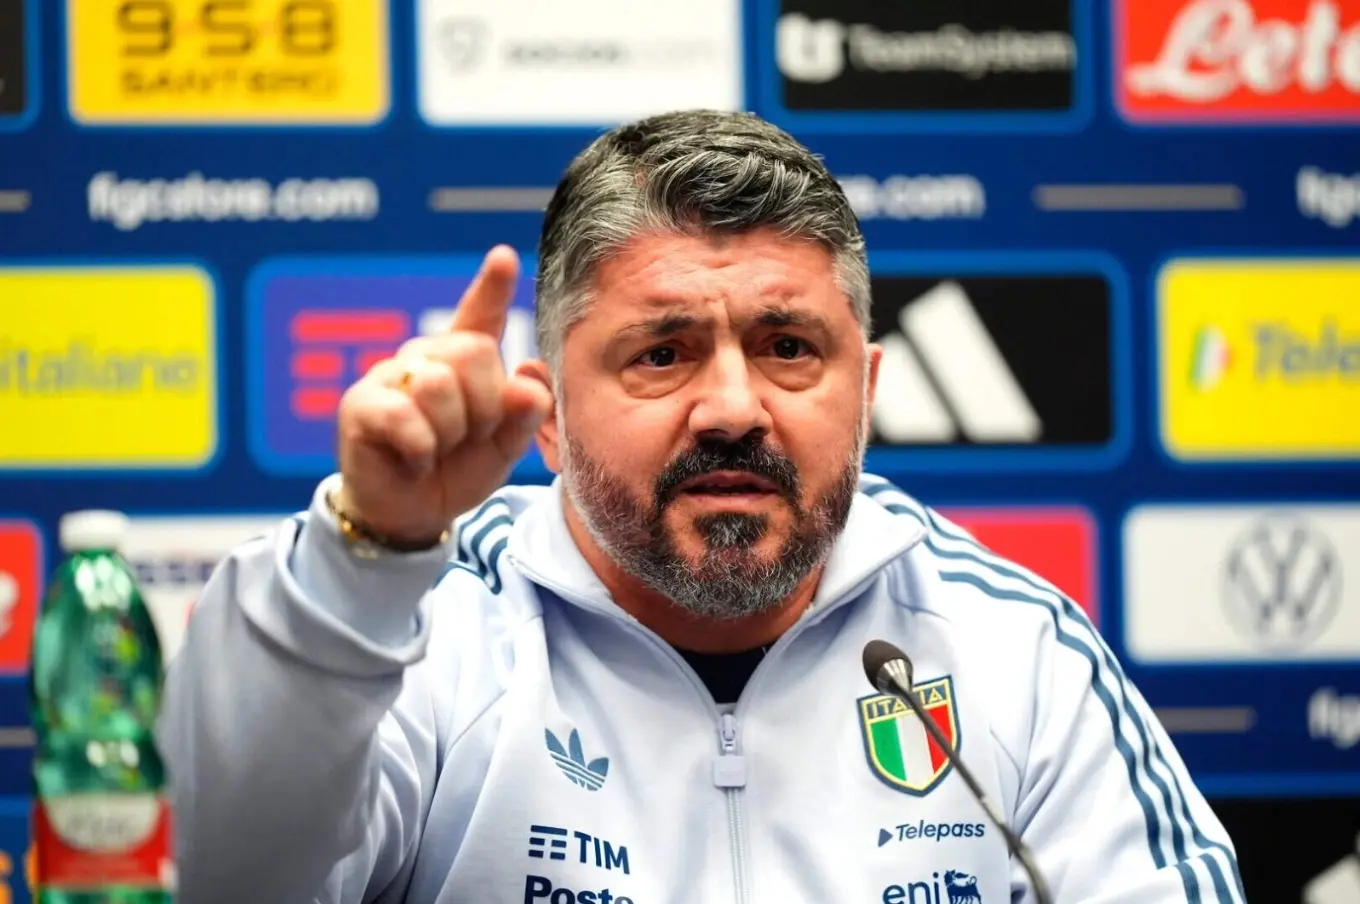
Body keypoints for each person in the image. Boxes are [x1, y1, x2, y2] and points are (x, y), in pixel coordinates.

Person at [159, 110, 1244, 904]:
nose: (732, 408)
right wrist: (368, 558)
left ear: (866, 395)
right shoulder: (431, 623)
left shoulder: (1011, 649)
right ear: (549, 414)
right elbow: (232, 879)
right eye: (662, 353)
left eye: (788, 347)